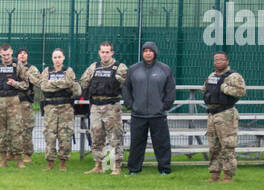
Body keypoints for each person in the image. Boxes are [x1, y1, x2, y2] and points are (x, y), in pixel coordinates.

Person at [122, 41, 176, 175]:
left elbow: (170, 90)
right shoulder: (133, 69)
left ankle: (164, 169)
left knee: (162, 144)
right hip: (138, 115)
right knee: (136, 144)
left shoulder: (164, 69)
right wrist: (131, 105)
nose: (148, 53)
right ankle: (134, 170)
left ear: (155, 52)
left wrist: (164, 106)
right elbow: (126, 89)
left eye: (150, 51)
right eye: (145, 51)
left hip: (158, 115)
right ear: (142, 53)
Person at [80, 41, 128, 175]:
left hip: (111, 106)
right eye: (102, 52)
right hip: (95, 106)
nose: (105, 54)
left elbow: (128, 84)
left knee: (114, 137)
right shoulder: (94, 67)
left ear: (112, 53)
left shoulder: (119, 67)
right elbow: (83, 82)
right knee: (96, 136)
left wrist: (120, 80)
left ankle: (116, 166)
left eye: (107, 52)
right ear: (99, 53)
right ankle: (98, 165)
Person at [203, 49, 247, 183]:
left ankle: (228, 175)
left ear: (227, 61)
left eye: (221, 59)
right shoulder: (212, 76)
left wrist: (224, 88)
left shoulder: (234, 76)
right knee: (213, 147)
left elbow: (241, 91)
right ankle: (214, 175)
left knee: (227, 147)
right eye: (216, 59)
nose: (218, 62)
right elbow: (205, 89)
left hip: (226, 115)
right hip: (212, 114)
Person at [0, 43, 29, 167]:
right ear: (0, 54)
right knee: (1, 132)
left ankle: (19, 160)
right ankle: (3, 160)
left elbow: (26, 83)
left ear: (12, 52)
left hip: (13, 101)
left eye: (8, 54)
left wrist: (15, 84)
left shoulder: (17, 64)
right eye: (4, 55)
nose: (6, 57)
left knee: (16, 130)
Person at [39, 48, 80, 170]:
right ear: (52, 59)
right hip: (50, 108)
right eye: (55, 57)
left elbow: (69, 83)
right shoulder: (47, 71)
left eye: (59, 57)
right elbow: (44, 86)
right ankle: (50, 163)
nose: (57, 60)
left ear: (63, 58)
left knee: (65, 135)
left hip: (66, 109)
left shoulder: (68, 70)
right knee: (50, 135)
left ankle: (63, 163)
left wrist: (54, 84)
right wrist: (61, 85)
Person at [15, 48, 40, 164]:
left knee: (27, 128)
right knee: (13, 128)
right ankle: (13, 153)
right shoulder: (12, 67)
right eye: (20, 54)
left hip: (25, 102)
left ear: (27, 56)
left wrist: (27, 75)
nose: (22, 56)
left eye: (24, 54)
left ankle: (27, 154)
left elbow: (38, 82)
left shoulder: (32, 69)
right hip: (12, 101)